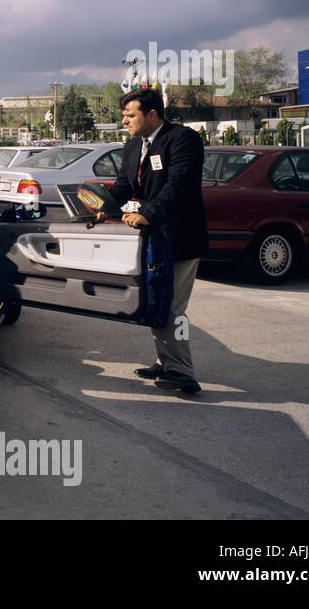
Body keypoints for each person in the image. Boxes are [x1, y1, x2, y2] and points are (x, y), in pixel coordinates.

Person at [93, 86, 207, 394]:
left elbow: (178, 186)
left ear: (152, 113)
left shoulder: (183, 140)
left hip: (179, 238)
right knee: (156, 301)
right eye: (124, 116)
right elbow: (122, 186)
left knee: (172, 306)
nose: (125, 120)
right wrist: (103, 207)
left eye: (131, 115)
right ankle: (165, 360)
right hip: (152, 239)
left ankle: (182, 371)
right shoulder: (133, 146)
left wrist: (148, 213)